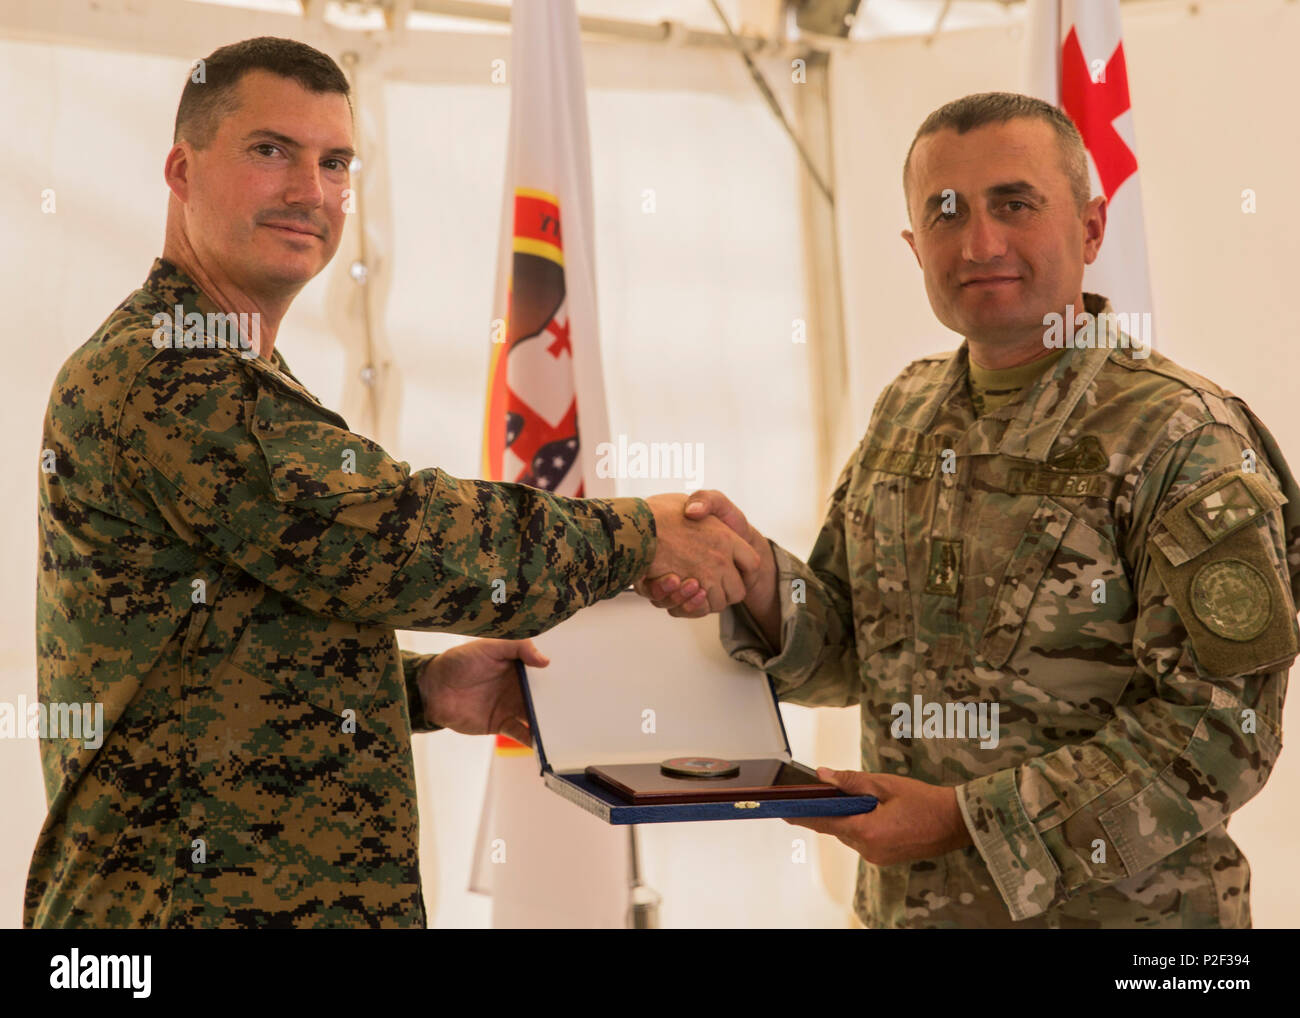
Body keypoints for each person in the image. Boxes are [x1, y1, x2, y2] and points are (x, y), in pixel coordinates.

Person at [27, 36, 756, 929]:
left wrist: (414, 691)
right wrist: (643, 532)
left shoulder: (235, 366)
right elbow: (398, 539)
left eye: (336, 163)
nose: (311, 191)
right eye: (271, 152)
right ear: (182, 169)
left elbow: (224, 647)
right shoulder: (170, 373)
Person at [642, 92, 1300, 928]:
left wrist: (960, 822)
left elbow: (1220, 734)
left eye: (1015, 205)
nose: (980, 243)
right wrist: (760, 579)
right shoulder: (905, 410)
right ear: (916, 247)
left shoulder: (1182, 436)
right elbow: (850, 650)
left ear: (1094, 228)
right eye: (946, 214)